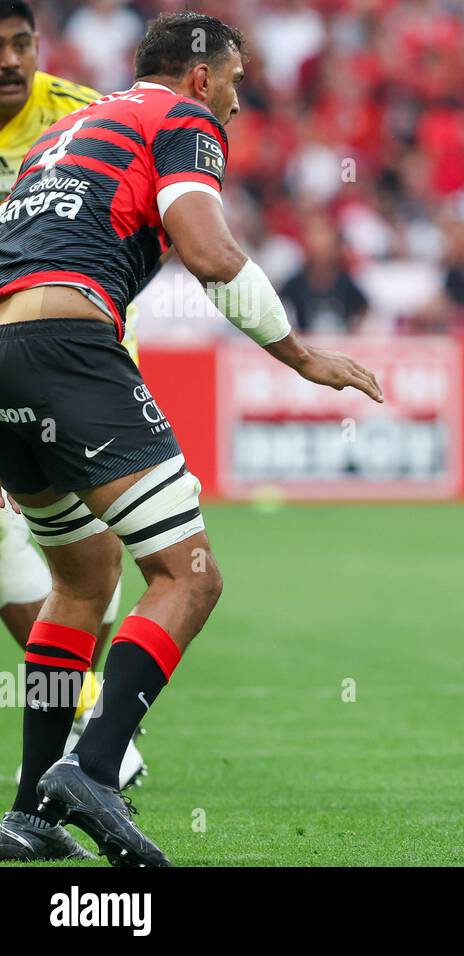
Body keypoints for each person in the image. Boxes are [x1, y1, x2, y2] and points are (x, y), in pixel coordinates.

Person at [0, 11, 381, 866]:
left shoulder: (64, 128)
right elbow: (208, 252)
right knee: (189, 574)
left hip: (4, 352)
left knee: (82, 577)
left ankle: (30, 812)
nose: (240, 107)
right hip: (70, 346)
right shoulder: (181, 118)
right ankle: (93, 766)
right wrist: (303, 355)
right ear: (202, 76)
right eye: (238, 83)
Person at [0, 0, 146, 797]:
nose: (10, 60)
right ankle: (92, 747)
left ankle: (82, 749)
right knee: (70, 581)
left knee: (88, 572)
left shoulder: (87, 117)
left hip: (78, 372)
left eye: (22, 43)